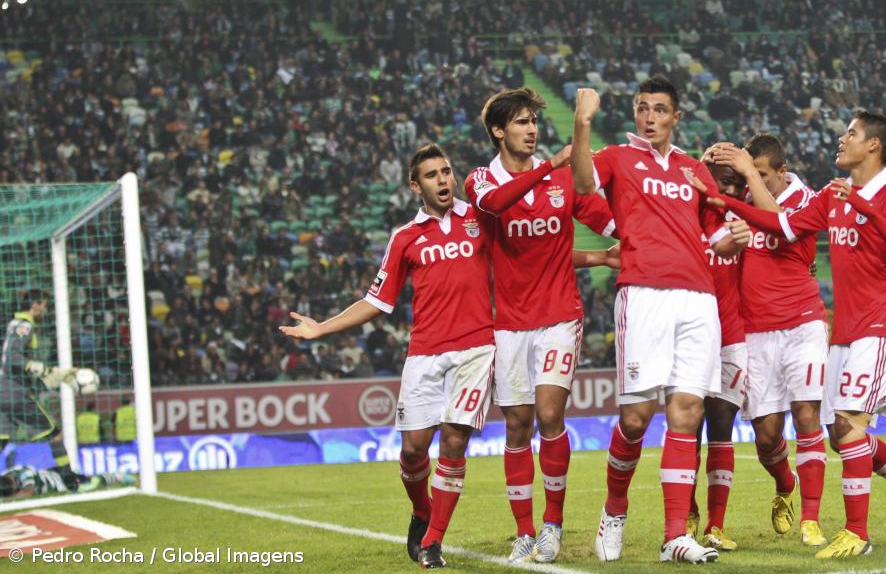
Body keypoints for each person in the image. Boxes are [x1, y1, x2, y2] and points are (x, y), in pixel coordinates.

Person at [702, 111, 886, 559]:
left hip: (880, 326)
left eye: (851, 133)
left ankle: (857, 532)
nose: (842, 138)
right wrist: (725, 205)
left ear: (873, 145)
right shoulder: (834, 196)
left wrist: (868, 208)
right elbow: (782, 226)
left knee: (849, 429)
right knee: (839, 433)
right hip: (845, 332)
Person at [279, 144, 497, 569]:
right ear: (416, 186)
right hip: (425, 354)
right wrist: (322, 327)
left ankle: (433, 543)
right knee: (415, 451)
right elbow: (377, 301)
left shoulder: (479, 219)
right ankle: (421, 510)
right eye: (432, 175)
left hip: (477, 347)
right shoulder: (405, 238)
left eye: (447, 171)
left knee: (455, 441)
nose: (443, 180)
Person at [569, 78, 751, 564]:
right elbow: (584, 184)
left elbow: (713, 236)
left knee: (687, 411)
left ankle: (675, 535)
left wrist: (733, 235)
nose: (650, 117)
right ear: (634, 113)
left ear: (676, 117)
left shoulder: (696, 171)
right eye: (643, 109)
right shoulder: (618, 157)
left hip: (698, 299)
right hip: (644, 294)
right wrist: (582, 123)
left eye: (660, 110)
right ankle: (614, 508)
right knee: (635, 418)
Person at [464, 88, 619, 563]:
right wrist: (551, 166)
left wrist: (633, 240)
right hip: (509, 323)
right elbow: (495, 206)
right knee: (517, 425)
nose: (531, 129)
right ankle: (525, 531)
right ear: (498, 130)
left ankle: (553, 523)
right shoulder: (480, 181)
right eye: (521, 122)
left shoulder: (564, 182)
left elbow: (612, 223)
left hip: (559, 316)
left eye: (534, 121)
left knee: (550, 415)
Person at [709, 135, 829, 547]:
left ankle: (811, 520)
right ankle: (785, 483)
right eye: (748, 172)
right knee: (766, 435)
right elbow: (720, 235)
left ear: (781, 170)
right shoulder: (742, 197)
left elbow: (780, 222)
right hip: (756, 331)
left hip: (802, 323)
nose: (749, 180)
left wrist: (746, 179)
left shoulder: (806, 198)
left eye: (758, 173)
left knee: (808, 415)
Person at [685, 157, 749, 552]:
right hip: (691, 337)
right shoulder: (685, 221)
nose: (724, 190)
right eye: (717, 181)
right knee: (687, 427)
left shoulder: (745, 224)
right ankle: (686, 510)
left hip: (732, 338)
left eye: (732, 184)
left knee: (721, 427)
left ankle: (716, 524)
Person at [0, 291, 73, 475]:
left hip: (3, 390)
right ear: (35, 305)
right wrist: (42, 368)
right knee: (56, 435)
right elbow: (12, 357)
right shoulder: (25, 325)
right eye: (45, 305)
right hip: (15, 393)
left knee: (1, 440)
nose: (45, 310)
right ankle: (71, 480)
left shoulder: (14, 323)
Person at [0, 463, 135, 499]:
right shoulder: (6, 478)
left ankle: (119, 476)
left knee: (91, 484)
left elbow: (29, 492)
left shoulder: (24, 473)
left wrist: (10, 497)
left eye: (16, 485)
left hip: (62, 480)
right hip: (56, 474)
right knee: (87, 479)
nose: (17, 486)